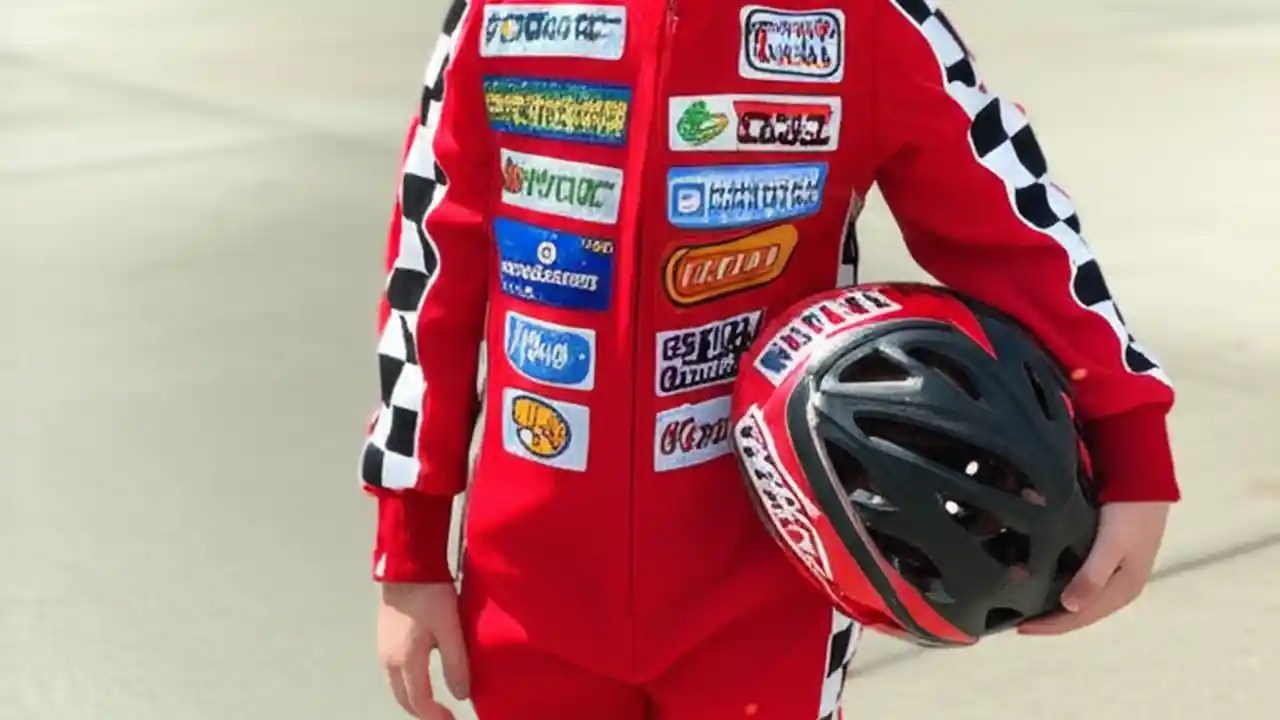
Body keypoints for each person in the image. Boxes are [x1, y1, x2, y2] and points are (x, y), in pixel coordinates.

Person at [360, 1, 1178, 718]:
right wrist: (411, 547)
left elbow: (1014, 227)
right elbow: (431, 274)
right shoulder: (497, 12)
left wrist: (1130, 444)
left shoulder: (865, 16)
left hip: (772, 585)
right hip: (527, 591)